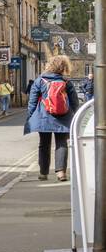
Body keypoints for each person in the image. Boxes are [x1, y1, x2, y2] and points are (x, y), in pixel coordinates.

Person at [25, 54, 81, 182]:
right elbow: (75, 102)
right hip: (63, 117)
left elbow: (32, 102)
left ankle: (43, 173)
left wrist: (30, 117)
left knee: (44, 144)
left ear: (49, 66)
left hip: (43, 117)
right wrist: (75, 115)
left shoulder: (40, 80)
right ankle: (61, 172)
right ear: (63, 67)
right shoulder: (66, 82)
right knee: (61, 143)